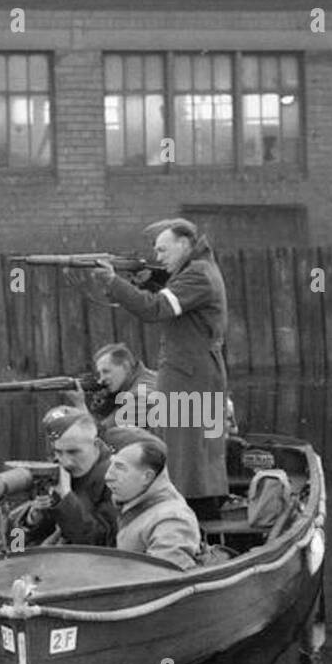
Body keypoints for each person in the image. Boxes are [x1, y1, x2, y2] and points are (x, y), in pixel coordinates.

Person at [91, 219, 229, 521]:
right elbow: (170, 300)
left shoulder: (197, 275)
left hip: (188, 375)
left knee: (184, 451)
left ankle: (188, 517)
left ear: (184, 244)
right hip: (194, 371)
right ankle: (201, 512)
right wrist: (147, 282)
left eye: (163, 249)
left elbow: (155, 309)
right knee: (196, 450)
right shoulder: (198, 270)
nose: (158, 256)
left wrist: (114, 282)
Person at [15, 406, 117, 547]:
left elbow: (100, 543)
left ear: (96, 444)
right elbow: (19, 542)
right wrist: (34, 518)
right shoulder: (54, 472)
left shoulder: (117, 478)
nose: (66, 461)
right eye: (58, 452)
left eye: (73, 452)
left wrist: (66, 497)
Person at [104, 436, 201, 570]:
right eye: (111, 466)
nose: (108, 476)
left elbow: (163, 578)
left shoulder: (172, 518)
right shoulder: (134, 503)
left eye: (120, 468)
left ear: (147, 477)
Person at [91, 342, 157, 437]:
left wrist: (79, 403)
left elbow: (100, 434)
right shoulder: (150, 377)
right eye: (100, 374)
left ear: (125, 367)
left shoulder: (138, 398)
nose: (101, 380)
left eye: (106, 371)